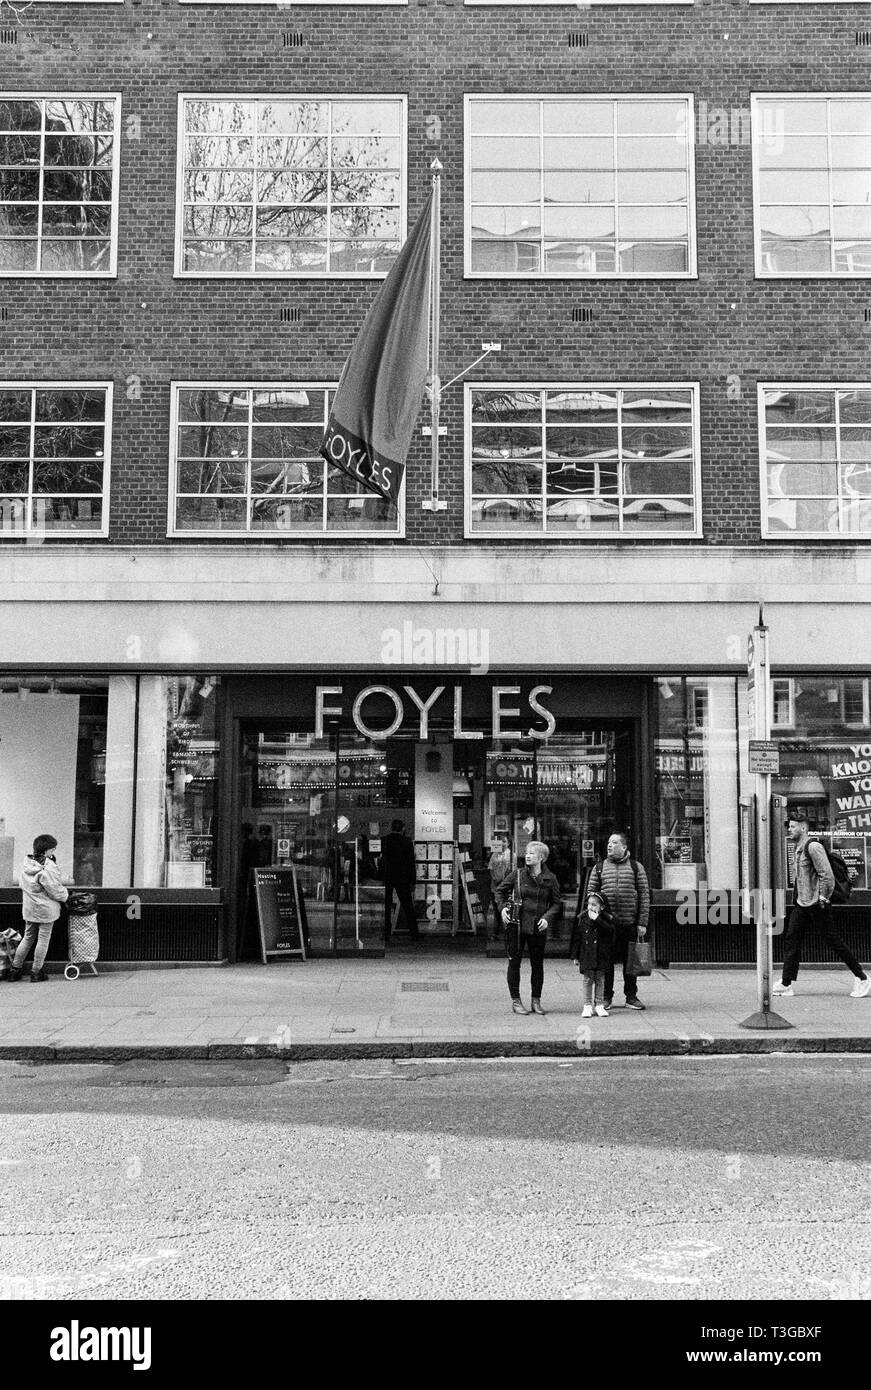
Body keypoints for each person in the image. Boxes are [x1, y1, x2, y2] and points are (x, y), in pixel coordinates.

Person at [774, 811, 870, 998]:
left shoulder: (813, 846)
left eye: (793, 826)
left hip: (817, 903)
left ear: (803, 828)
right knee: (792, 939)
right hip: (803, 903)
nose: (790, 829)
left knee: (832, 941)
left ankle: (863, 978)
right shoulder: (798, 848)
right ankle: (786, 983)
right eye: (789, 826)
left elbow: (827, 875)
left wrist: (823, 898)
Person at [494, 839, 562, 1015]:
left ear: (541, 858)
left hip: (538, 927)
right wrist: (502, 909)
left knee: (537, 964)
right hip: (516, 925)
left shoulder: (550, 878)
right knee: (514, 963)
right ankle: (516, 1001)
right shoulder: (517, 875)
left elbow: (556, 904)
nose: (528, 856)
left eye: (532, 853)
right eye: (527, 853)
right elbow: (499, 891)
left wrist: (547, 917)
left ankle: (536, 1001)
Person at [585, 831, 650, 1010]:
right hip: (606, 925)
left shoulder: (636, 867)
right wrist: (595, 919)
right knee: (607, 962)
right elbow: (590, 895)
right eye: (608, 842)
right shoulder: (599, 868)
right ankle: (606, 997)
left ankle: (631, 996)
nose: (609, 846)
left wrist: (642, 922)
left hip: (629, 922)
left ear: (624, 847)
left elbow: (645, 895)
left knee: (631, 963)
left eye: (614, 843)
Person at [6, 834, 69, 983]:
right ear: (47, 851)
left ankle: (15, 970)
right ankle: (36, 972)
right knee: (43, 939)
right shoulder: (47, 867)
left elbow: (23, 885)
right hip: (46, 910)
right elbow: (55, 889)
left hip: (30, 908)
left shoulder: (27, 864)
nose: (54, 852)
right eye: (53, 849)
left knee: (28, 938)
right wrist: (66, 896)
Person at [570, 890, 616, 1018]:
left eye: (594, 905)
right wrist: (575, 955)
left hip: (601, 955)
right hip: (587, 954)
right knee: (588, 980)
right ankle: (587, 1005)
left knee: (600, 980)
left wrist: (598, 920)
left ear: (602, 907)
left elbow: (610, 931)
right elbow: (577, 938)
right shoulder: (582, 918)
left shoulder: (607, 918)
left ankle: (599, 1005)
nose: (590, 907)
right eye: (589, 904)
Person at [379, 819, 419, 942]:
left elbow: (381, 859)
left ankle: (386, 933)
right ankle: (414, 933)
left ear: (391, 828)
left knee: (386, 905)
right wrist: (413, 880)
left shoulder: (384, 840)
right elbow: (411, 862)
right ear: (402, 828)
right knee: (408, 906)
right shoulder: (406, 842)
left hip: (388, 876)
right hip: (402, 877)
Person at [487, 835, 512, 938]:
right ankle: (496, 932)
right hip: (495, 886)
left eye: (504, 841)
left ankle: (508, 931)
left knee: (506, 908)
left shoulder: (511, 855)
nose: (502, 843)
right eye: (501, 841)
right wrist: (495, 879)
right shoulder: (495, 854)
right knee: (497, 910)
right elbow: (491, 868)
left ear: (508, 843)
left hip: (507, 887)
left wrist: (505, 882)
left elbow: (512, 870)